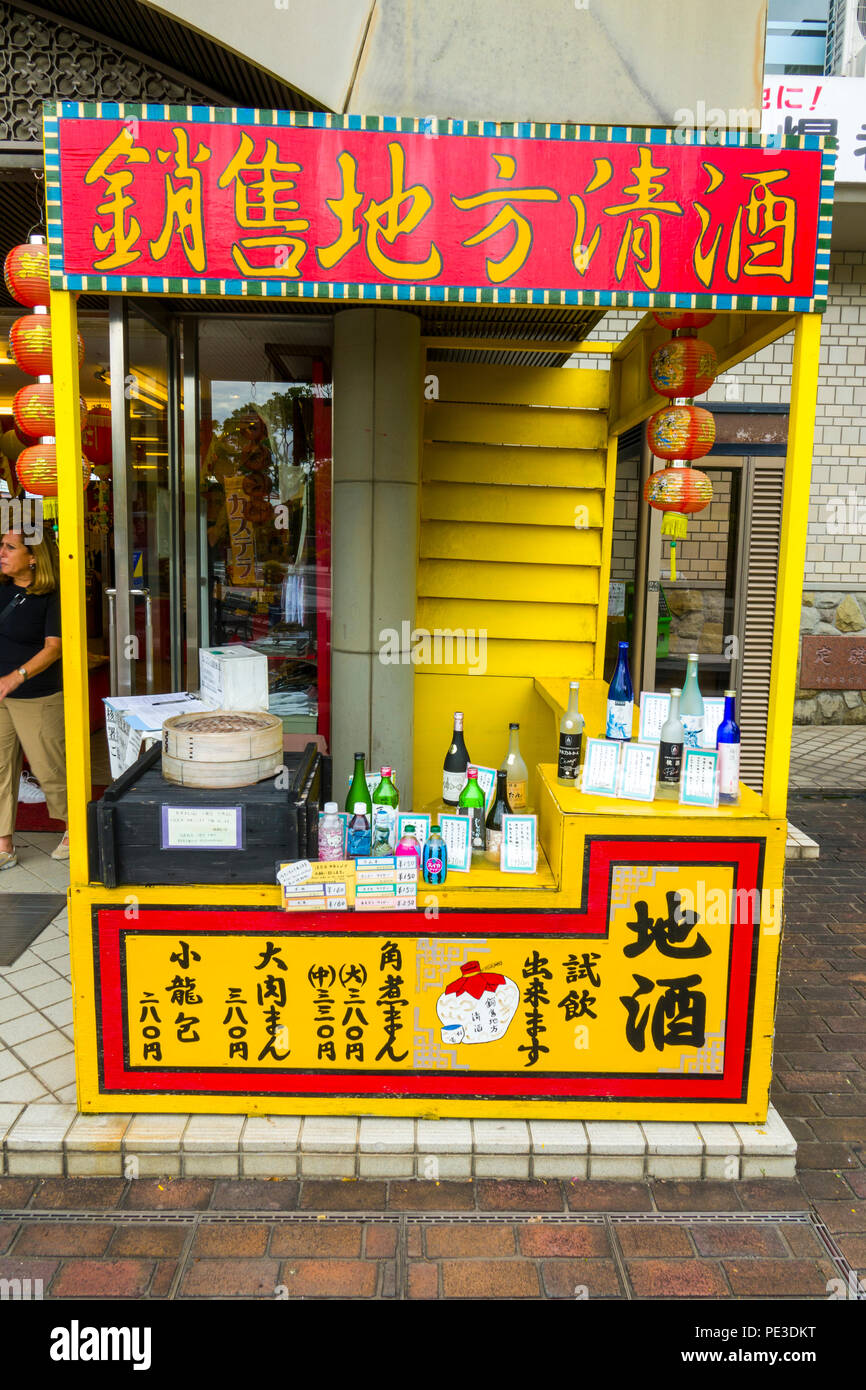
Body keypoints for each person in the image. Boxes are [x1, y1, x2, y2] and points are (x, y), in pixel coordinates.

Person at [0, 528, 69, 867]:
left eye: (10, 547)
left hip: (37, 695)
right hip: (0, 696)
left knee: (50, 768)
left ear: (32, 558)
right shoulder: (0, 589)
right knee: (0, 769)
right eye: (1, 545)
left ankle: (76, 829)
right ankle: (3, 844)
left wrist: (16, 677)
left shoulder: (52, 596)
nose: (2, 552)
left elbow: (54, 648)